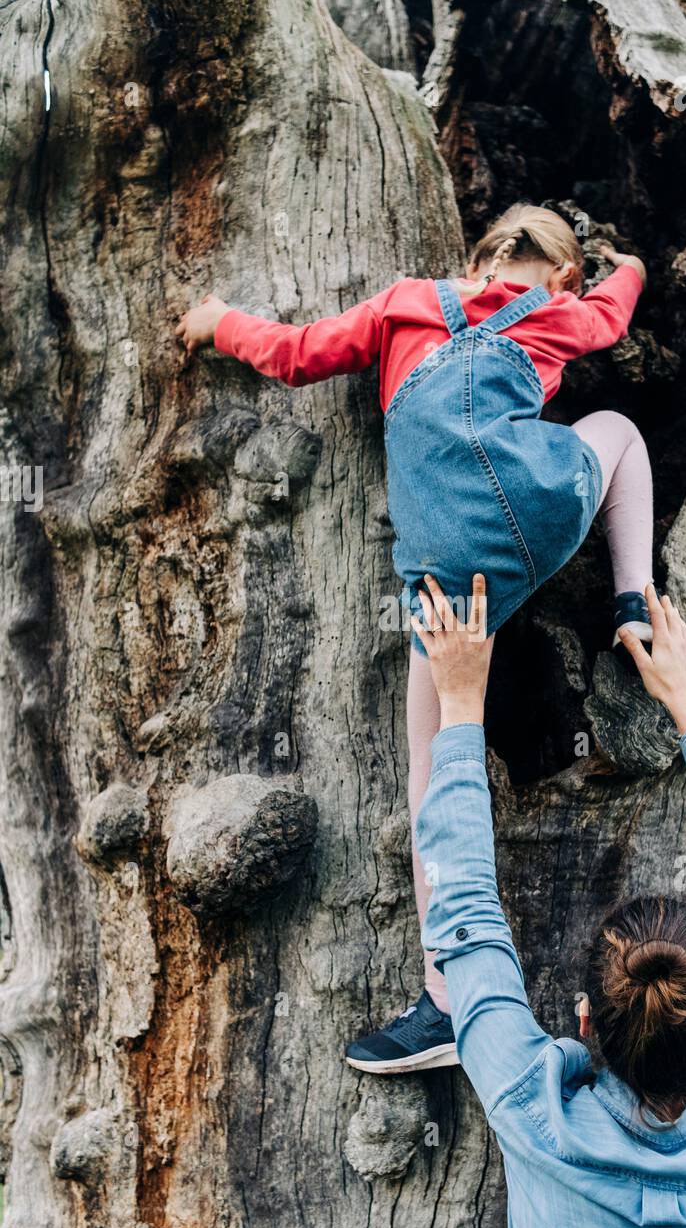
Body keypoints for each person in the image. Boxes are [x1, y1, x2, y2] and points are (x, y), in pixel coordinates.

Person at [175, 204, 654, 1069]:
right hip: (538, 516)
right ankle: (633, 600)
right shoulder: (558, 311)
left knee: (431, 772)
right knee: (617, 432)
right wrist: (631, 270)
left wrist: (218, 324)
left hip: (441, 566)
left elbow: (296, 354)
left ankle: (443, 1002)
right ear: (563, 276)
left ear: (475, 261)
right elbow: (618, 313)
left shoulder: (403, 302)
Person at [411, 573, 686, 1228]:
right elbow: (467, 917)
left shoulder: (531, 1110)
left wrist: (456, 703)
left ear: (583, 1023)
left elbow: (468, 916)